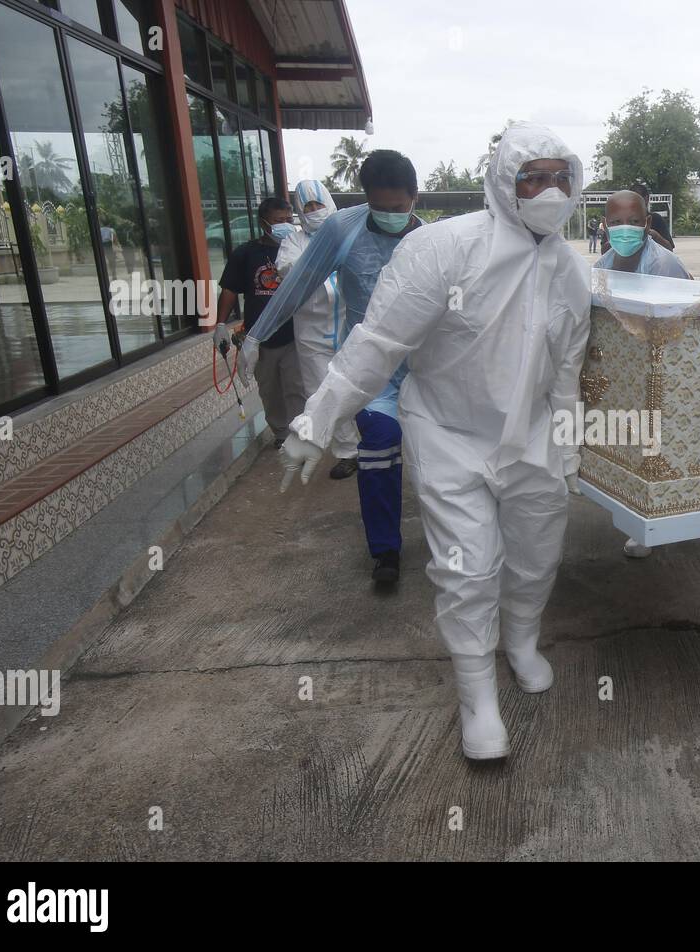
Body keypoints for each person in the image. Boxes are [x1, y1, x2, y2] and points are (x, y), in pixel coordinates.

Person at [278, 123, 591, 761]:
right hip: (449, 433)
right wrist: (316, 421)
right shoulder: (444, 250)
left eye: (562, 178)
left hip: (532, 436)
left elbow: (566, 371)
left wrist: (570, 444)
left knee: (537, 554)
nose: (549, 191)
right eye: (533, 177)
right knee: (468, 568)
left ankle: (523, 640)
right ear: (504, 181)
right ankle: (477, 696)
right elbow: (376, 345)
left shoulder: (568, 269)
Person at [244, 151, 429, 585]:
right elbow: (298, 284)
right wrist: (256, 335)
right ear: (365, 199)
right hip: (369, 368)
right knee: (380, 445)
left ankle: (452, 541)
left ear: (415, 197)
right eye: (379, 208)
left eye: (399, 208)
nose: (389, 216)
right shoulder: (341, 229)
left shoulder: (432, 239)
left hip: (424, 365)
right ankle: (385, 551)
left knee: (436, 456)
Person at [595, 189, 692, 560]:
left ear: (647, 224)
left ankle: (658, 522)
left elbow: (682, 325)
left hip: (664, 368)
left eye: (634, 222)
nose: (625, 229)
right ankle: (638, 514)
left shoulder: (664, 266)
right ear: (605, 226)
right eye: (616, 222)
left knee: (659, 448)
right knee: (628, 446)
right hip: (623, 369)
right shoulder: (602, 265)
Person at [275, 179, 358, 479]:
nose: (313, 211)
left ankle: (370, 442)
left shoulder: (347, 233)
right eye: (307, 207)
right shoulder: (293, 241)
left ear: (329, 204)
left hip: (350, 324)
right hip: (311, 331)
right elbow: (287, 269)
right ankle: (347, 452)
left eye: (318, 205)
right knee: (321, 392)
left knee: (357, 388)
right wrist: (322, 261)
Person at [213, 196, 303, 447]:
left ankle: (299, 432)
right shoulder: (246, 254)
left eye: (289, 220)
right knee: (269, 388)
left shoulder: (300, 249)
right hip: (259, 337)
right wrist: (220, 324)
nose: (285, 225)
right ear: (264, 223)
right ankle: (281, 433)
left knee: (296, 386)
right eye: (278, 221)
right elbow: (230, 290)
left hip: (294, 332)